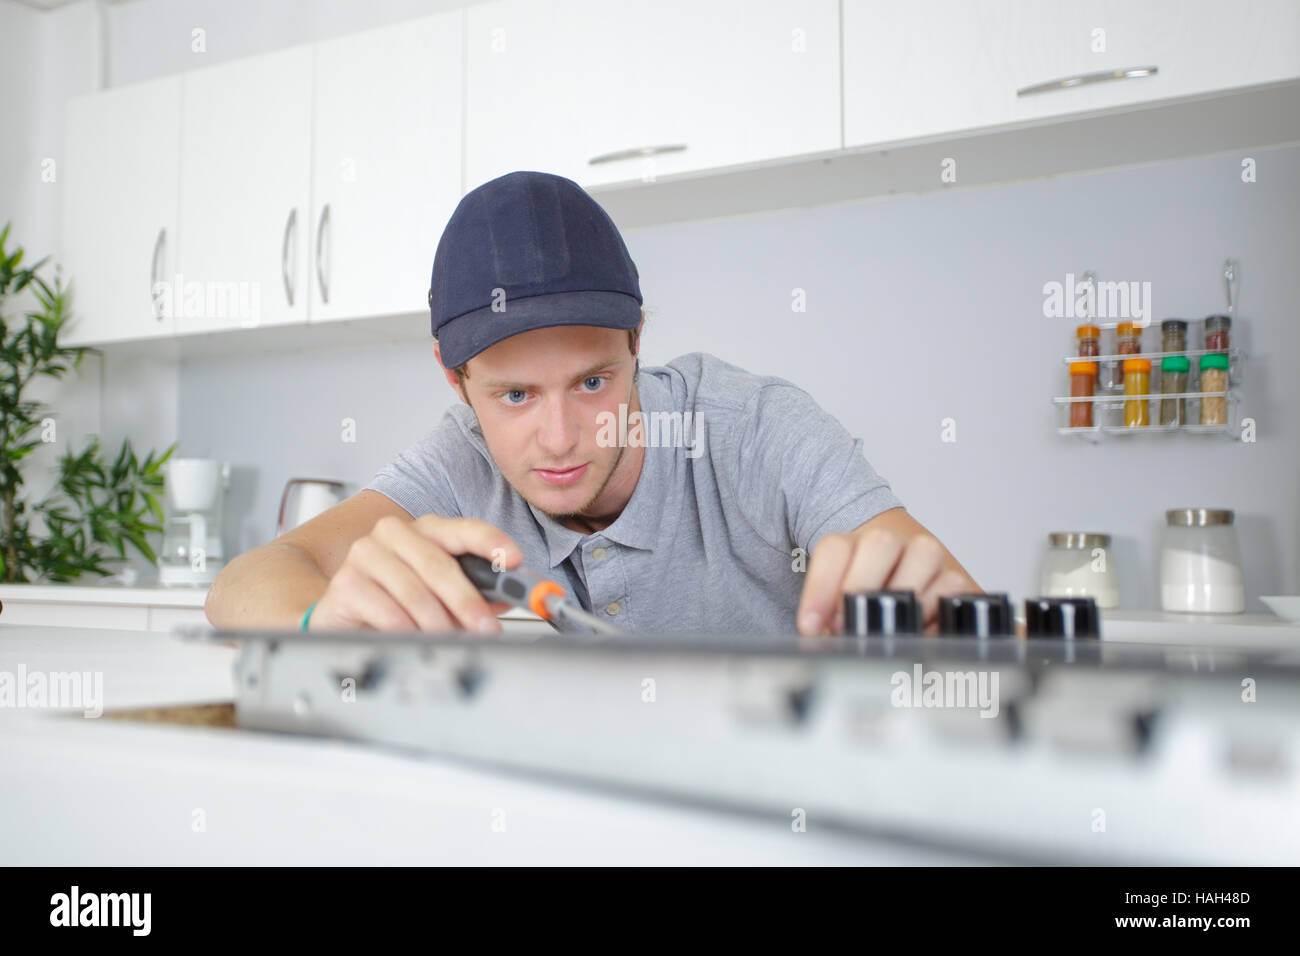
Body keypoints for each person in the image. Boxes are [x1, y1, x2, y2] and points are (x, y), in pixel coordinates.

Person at [205, 171, 980, 638]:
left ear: (637, 340)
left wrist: (943, 627)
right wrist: (320, 624)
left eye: (592, 382)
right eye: (514, 395)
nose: (561, 439)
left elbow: (986, 627)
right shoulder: (458, 462)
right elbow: (247, 582)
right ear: (455, 380)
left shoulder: (758, 430)